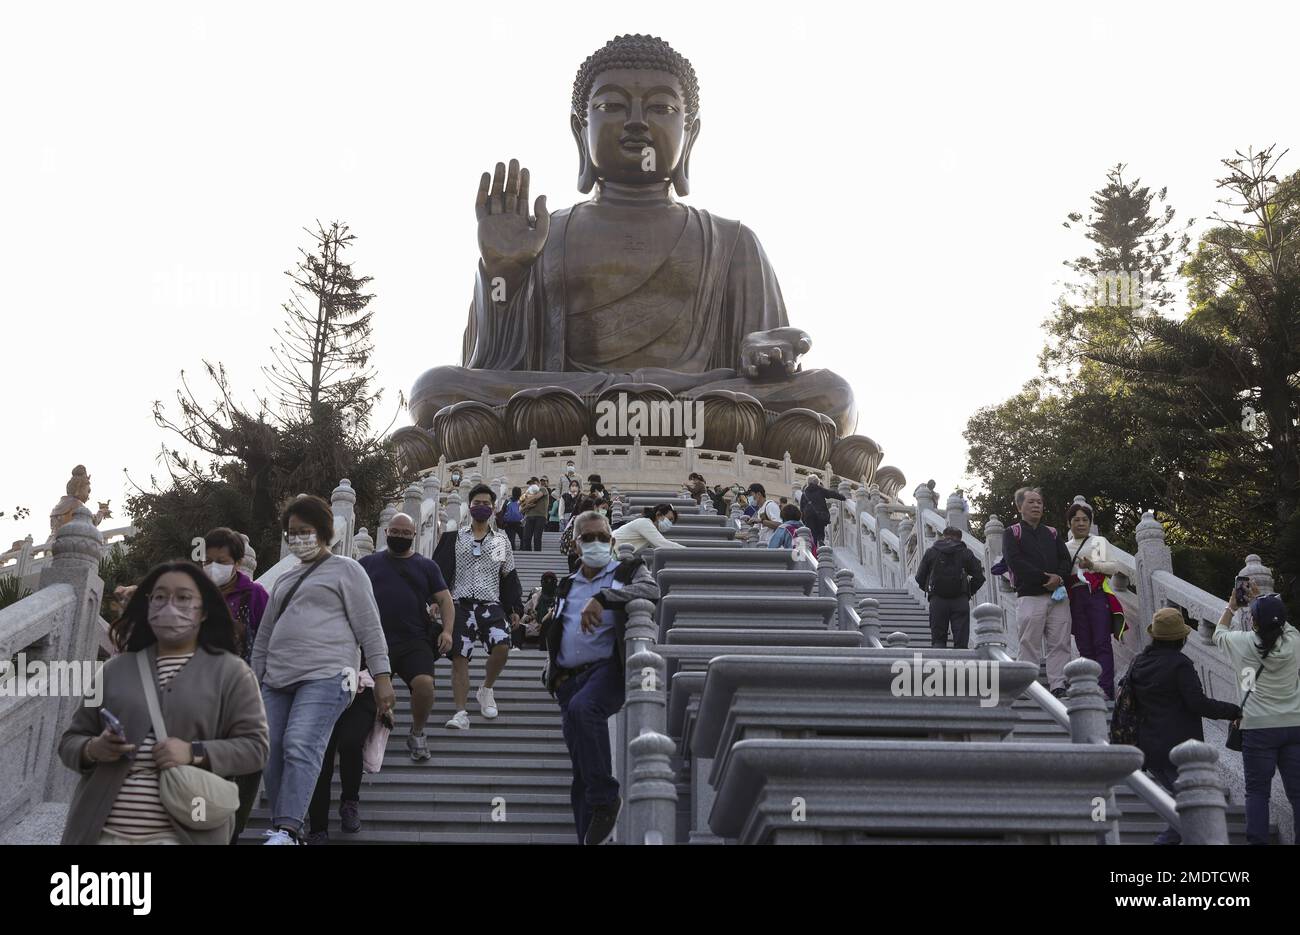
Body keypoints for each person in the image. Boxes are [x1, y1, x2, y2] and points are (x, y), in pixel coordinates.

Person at [59, 561, 268, 845]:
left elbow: (255, 749)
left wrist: (193, 752)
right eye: (159, 597)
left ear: (204, 610)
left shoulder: (231, 673)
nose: (170, 606)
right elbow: (71, 741)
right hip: (101, 834)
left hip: (184, 833)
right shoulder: (114, 670)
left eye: (183, 598)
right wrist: (94, 749)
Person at [252, 495, 395, 845]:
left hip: (329, 675)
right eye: (292, 533)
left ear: (325, 531)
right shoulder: (284, 580)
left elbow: (369, 627)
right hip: (277, 677)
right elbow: (264, 637)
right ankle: (284, 828)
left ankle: (286, 829)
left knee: (301, 743)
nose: (298, 538)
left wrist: (382, 677)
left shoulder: (348, 569)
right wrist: (253, 680)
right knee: (271, 747)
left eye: (305, 531)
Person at [540, 509, 662, 845]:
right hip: (569, 681)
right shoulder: (568, 582)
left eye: (603, 536)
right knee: (581, 773)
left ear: (612, 539)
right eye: (588, 537)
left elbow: (651, 593)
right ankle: (588, 836)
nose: (597, 542)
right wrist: (553, 672)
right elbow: (561, 626)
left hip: (606, 671)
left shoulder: (626, 569)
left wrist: (603, 597)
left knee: (586, 709)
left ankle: (607, 798)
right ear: (576, 544)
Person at [1130, 607, 1242, 844]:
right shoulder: (1180, 664)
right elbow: (1198, 703)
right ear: (1180, 638)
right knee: (1193, 810)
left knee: (1185, 806)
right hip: (1180, 750)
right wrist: (1233, 710)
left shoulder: (1139, 662)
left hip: (1149, 748)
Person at [359, 512, 455, 761]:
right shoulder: (368, 564)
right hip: (375, 642)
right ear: (387, 533)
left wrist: (447, 630)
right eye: (395, 532)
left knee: (424, 685)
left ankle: (417, 732)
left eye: (405, 533)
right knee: (366, 693)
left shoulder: (426, 566)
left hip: (414, 640)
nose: (399, 536)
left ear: (414, 535)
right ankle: (366, 732)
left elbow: (445, 599)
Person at [431, 484, 526, 729]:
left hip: (490, 603)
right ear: (469, 506)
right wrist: (433, 601)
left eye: (486, 504)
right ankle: (461, 712)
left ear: (494, 509)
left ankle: (486, 688)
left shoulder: (499, 540)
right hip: (459, 603)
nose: (481, 507)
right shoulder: (455, 537)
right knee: (459, 656)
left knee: (502, 648)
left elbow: (507, 575)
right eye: (477, 503)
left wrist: (515, 607)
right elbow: (438, 573)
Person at [1214, 588, 1300, 845]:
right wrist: (1265, 601)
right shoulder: (1295, 641)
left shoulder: (1241, 642)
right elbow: (1284, 624)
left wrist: (1232, 607)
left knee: (1258, 792)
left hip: (1258, 728)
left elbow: (1218, 633)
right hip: (1294, 724)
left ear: (1254, 621)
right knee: (1298, 794)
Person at [200, 527, 270, 843]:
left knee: (247, 765)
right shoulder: (194, 594)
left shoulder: (254, 596)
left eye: (222, 560)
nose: (214, 566)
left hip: (244, 695)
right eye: (208, 560)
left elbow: (269, 642)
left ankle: (233, 830)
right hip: (198, 697)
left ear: (237, 562)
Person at [1002, 487, 1073, 698]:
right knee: (1029, 642)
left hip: (1057, 596)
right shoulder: (1012, 533)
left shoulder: (1051, 533)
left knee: (1060, 642)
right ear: (1019, 506)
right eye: (1031, 502)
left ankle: (1058, 684)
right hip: (1030, 596)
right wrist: (1045, 579)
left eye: (1039, 502)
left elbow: (1065, 559)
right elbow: (1014, 562)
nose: (1036, 506)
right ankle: (1028, 685)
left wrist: (1058, 578)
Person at [305, 659, 378, 844]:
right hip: (321, 687)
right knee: (321, 759)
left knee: (351, 742)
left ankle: (350, 802)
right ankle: (318, 828)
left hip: (359, 689)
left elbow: (379, 647)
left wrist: (383, 681)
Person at [1063, 501, 1123, 699]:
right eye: (1076, 520)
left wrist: (1093, 565)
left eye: (1085, 520)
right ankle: (1089, 688)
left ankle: (1105, 690)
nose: (1081, 523)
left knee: (1101, 643)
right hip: (1075, 598)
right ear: (1069, 524)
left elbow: (1113, 567)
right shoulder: (1065, 547)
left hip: (1097, 595)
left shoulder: (1098, 542)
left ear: (1090, 522)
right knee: (1084, 645)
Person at [914, 527, 985, 649]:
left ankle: (938, 666)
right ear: (960, 538)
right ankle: (962, 667)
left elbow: (919, 577)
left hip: (937, 601)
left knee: (938, 641)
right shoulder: (965, 553)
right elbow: (979, 577)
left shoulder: (931, 552)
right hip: (960, 601)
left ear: (943, 535)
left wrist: (930, 590)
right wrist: (968, 591)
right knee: (961, 643)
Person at [613, 504, 687, 554]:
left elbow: (658, 546)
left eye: (672, 522)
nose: (670, 524)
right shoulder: (645, 523)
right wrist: (688, 551)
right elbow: (662, 544)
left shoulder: (648, 525)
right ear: (658, 515)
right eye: (669, 519)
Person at [799, 474, 846, 545]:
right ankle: (820, 541)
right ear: (817, 482)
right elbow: (831, 494)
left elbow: (802, 508)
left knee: (812, 533)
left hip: (809, 516)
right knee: (820, 531)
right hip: (820, 514)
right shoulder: (820, 489)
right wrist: (842, 497)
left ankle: (814, 548)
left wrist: (803, 519)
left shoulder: (804, 493)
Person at [520, 480, 548, 552]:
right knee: (526, 537)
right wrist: (527, 506)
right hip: (529, 517)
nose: (531, 485)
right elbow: (521, 509)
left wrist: (526, 501)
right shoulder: (527, 494)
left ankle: (538, 556)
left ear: (538, 483)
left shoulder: (543, 489)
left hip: (540, 516)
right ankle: (527, 555)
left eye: (533, 483)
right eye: (530, 484)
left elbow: (536, 497)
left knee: (537, 537)